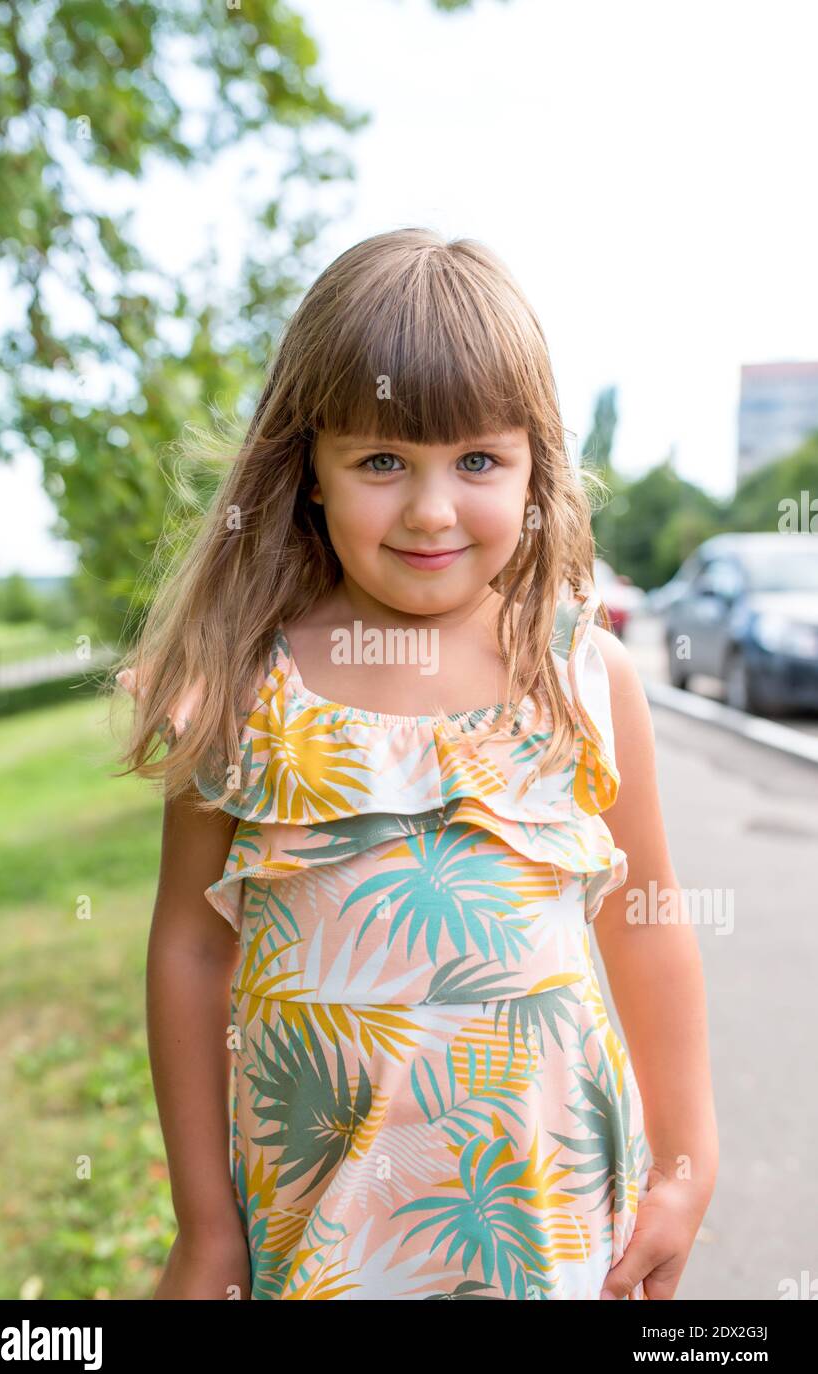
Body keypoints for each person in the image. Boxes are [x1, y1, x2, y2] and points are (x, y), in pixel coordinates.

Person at [113, 228, 718, 1301]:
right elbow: (191, 951)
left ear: (537, 467)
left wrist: (687, 1157)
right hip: (321, 1233)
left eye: (478, 461)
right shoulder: (247, 683)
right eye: (383, 460)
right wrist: (205, 1225)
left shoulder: (583, 674)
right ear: (306, 469)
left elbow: (650, 916)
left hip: (549, 1227)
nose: (434, 509)